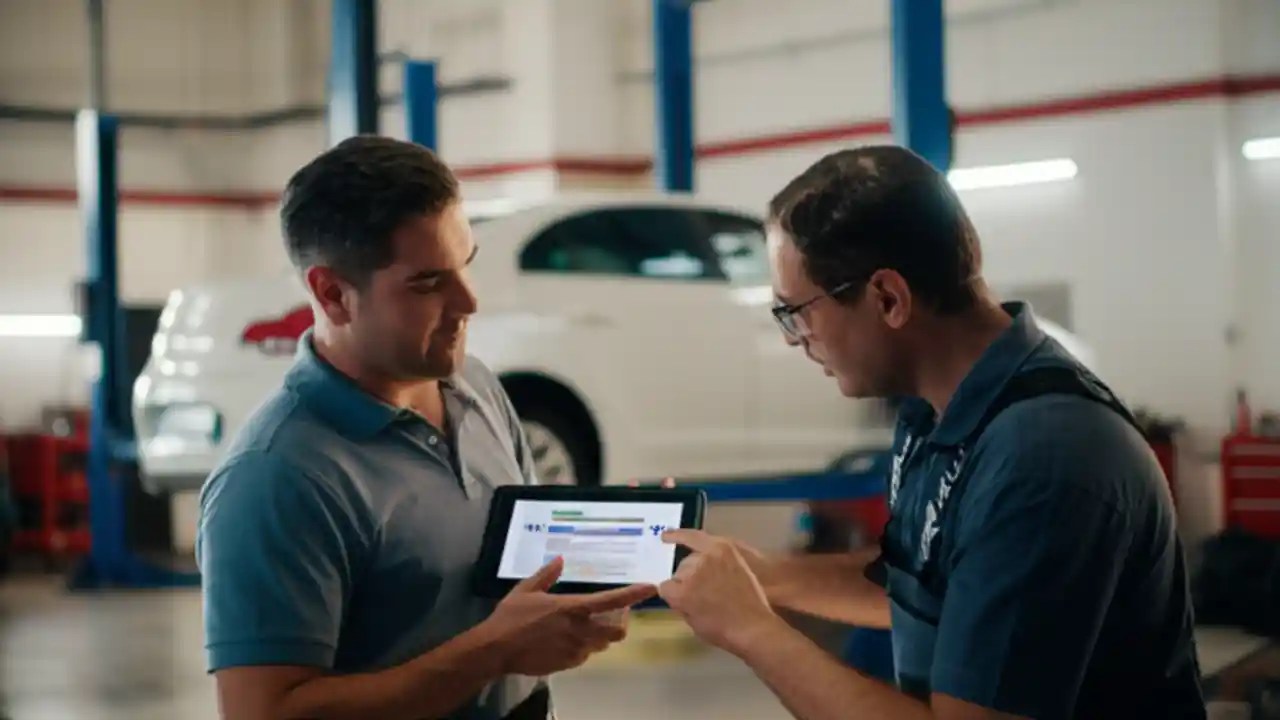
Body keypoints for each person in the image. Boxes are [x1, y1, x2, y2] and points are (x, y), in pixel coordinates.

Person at [658, 145, 1206, 719]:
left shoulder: (1044, 458)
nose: (795, 339)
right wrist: (761, 576)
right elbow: (921, 588)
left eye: (797, 312)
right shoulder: (938, 413)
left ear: (888, 298)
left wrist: (751, 630)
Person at [196, 135, 655, 720]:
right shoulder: (275, 479)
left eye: (466, 264)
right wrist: (493, 652)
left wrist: (593, 569)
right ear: (332, 294)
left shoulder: (476, 387)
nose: (469, 301)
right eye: (428, 283)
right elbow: (265, 713)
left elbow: (499, 570)